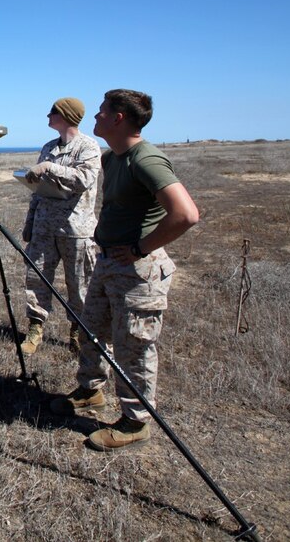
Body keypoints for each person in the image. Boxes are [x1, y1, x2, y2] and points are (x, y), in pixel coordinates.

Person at [51, 89, 199, 451]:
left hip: (138, 272)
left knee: (133, 347)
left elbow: (186, 214)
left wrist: (138, 249)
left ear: (119, 118)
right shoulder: (112, 158)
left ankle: (135, 423)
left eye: (102, 112)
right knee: (92, 329)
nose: (95, 117)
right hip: (107, 263)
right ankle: (91, 392)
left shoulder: (146, 159)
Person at [19, 97, 101, 356]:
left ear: (66, 115)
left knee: (79, 284)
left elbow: (83, 179)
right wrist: (30, 222)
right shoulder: (48, 147)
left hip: (76, 230)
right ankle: (35, 328)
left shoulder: (88, 147)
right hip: (44, 228)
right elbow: (38, 191)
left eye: (53, 112)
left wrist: (50, 167)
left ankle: (78, 330)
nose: (48, 116)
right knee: (36, 279)